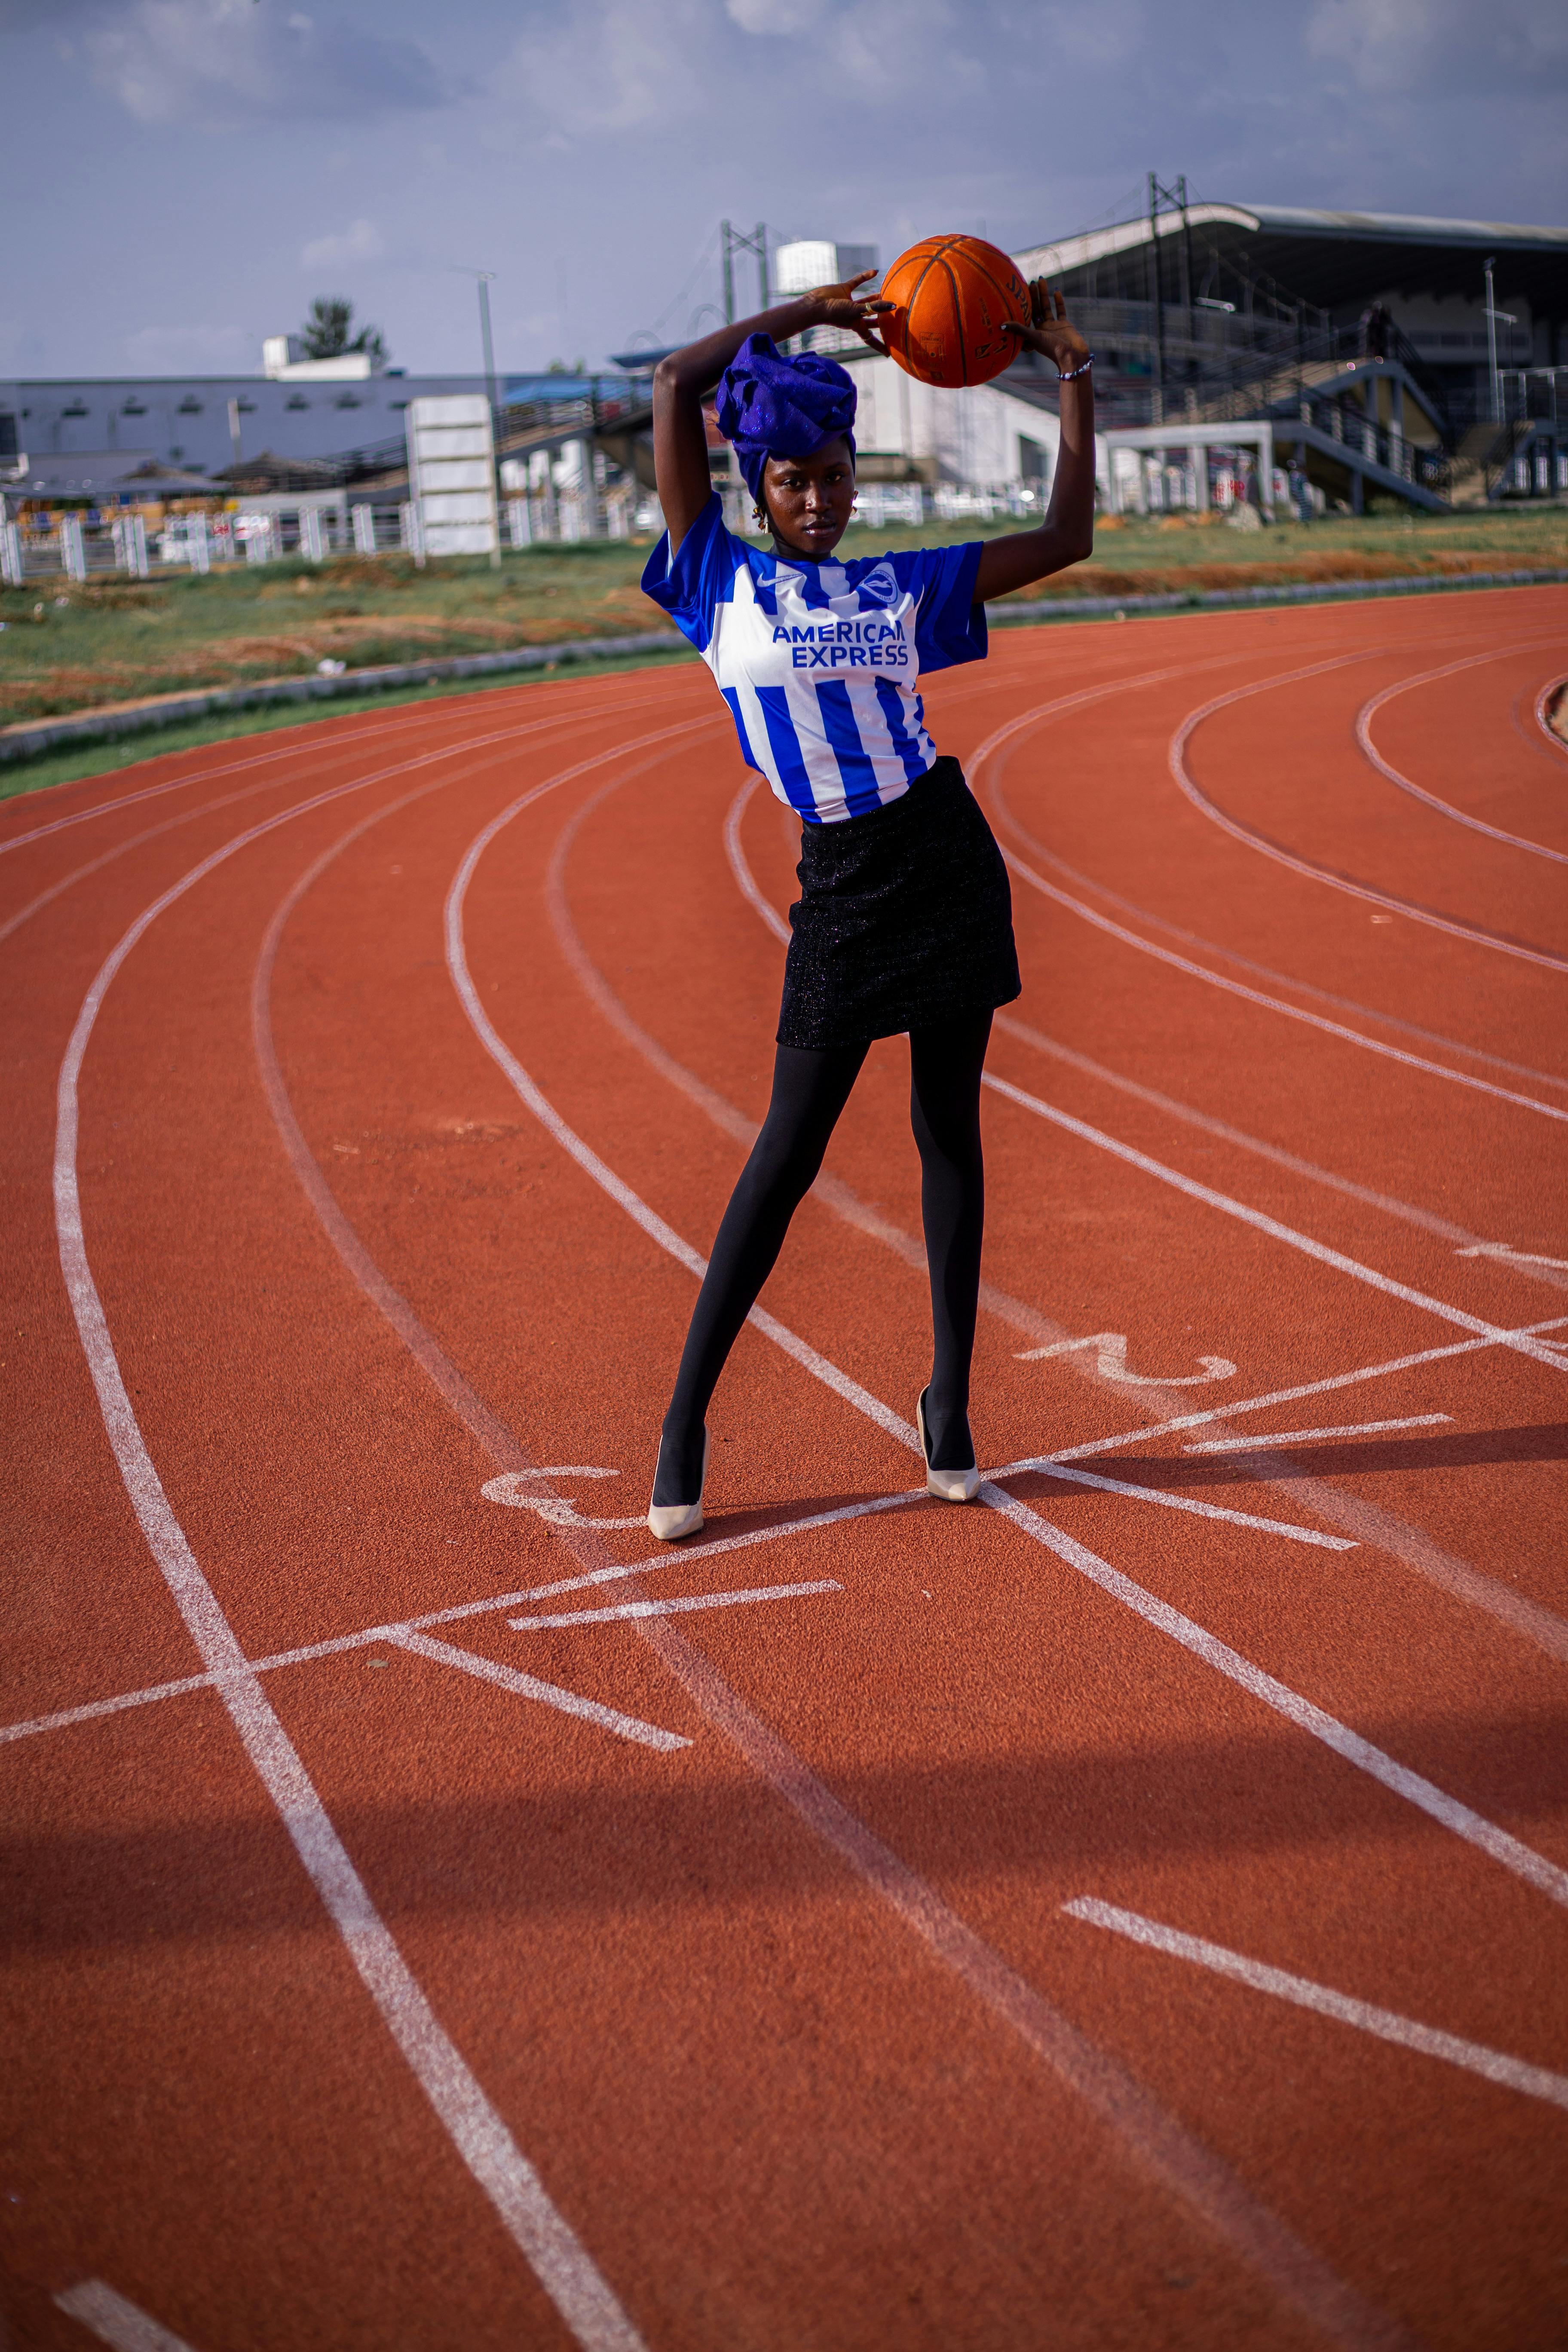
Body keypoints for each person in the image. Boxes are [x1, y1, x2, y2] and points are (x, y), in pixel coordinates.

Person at [640, 267, 1095, 1539]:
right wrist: (808, 316)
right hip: (839, 889)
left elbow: (1067, 539)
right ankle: (684, 1423)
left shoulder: (902, 588)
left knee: (948, 1134)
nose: (820, 499)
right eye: (795, 481)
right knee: (786, 1157)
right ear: (758, 490)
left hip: (944, 864)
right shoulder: (713, 580)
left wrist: (1070, 372)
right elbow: (674, 383)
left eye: (836, 478)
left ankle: (950, 1406)